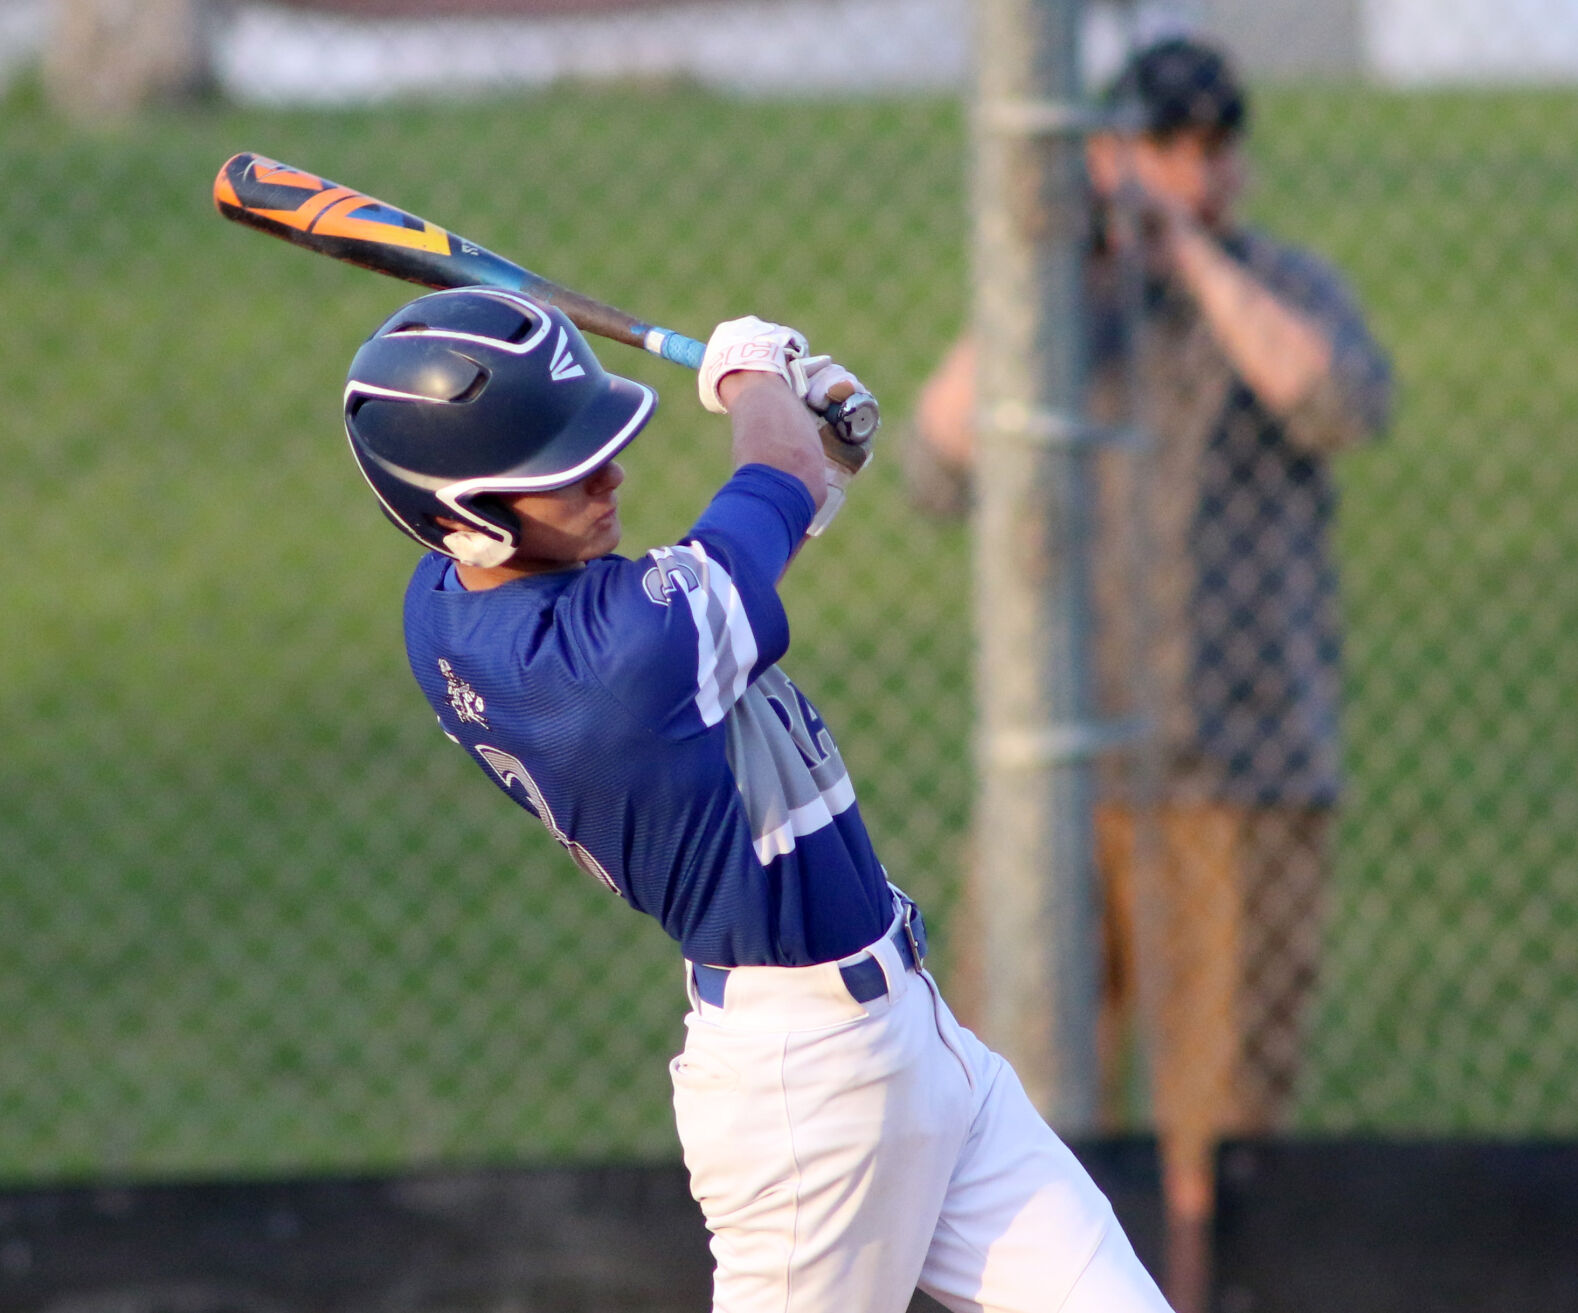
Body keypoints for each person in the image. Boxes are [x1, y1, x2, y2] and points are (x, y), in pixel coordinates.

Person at [340, 286, 1174, 1313]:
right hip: (806, 1089)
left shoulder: (446, 613)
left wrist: (817, 453)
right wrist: (751, 374)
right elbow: (769, 483)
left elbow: (751, 548)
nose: (609, 475)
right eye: (562, 471)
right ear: (464, 518)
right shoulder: (619, 658)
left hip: (916, 1040)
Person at [904, 33, 1393, 1308]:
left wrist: (1189, 254)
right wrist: (1055, 275)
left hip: (1239, 763)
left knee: (1217, 1123)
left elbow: (1336, 401)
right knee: (997, 1101)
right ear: (1106, 155)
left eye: (1213, 146)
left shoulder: (1282, 285)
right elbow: (935, 459)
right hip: (1065, 772)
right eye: (1161, 146)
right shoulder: (1055, 305)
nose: (1193, 169)